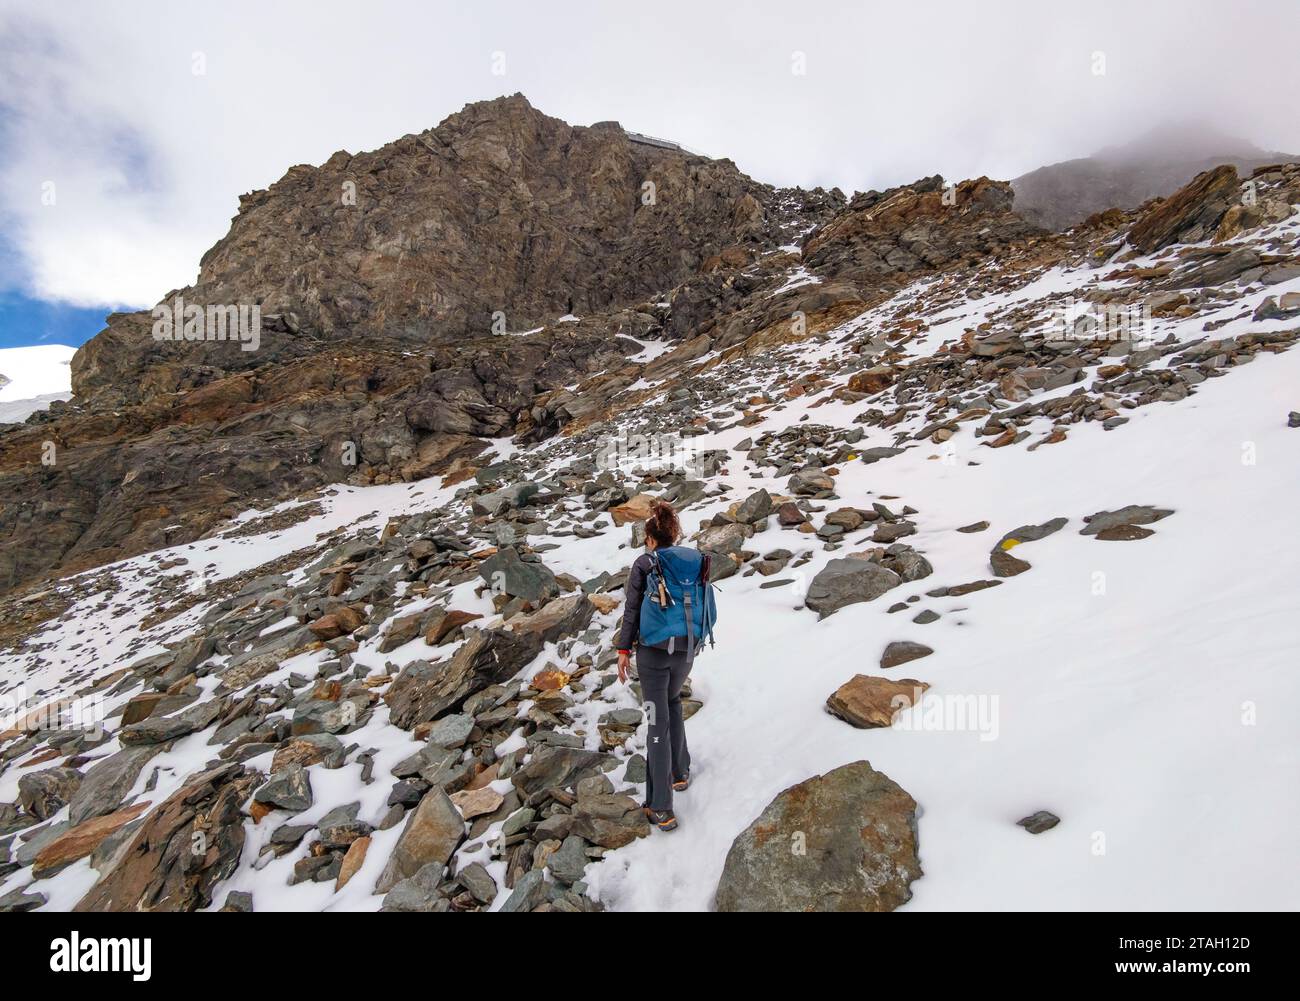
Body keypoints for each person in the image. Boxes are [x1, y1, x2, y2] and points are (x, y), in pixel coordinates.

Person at [616, 500, 706, 833]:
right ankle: (679, 773)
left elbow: (632, 609)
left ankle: (660, 807)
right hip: (686, 650)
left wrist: (623, 649)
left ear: (651, 539)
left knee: (656, 721)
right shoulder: (692, 561)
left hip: (653, 652)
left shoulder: (645, 564)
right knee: (671, 702)